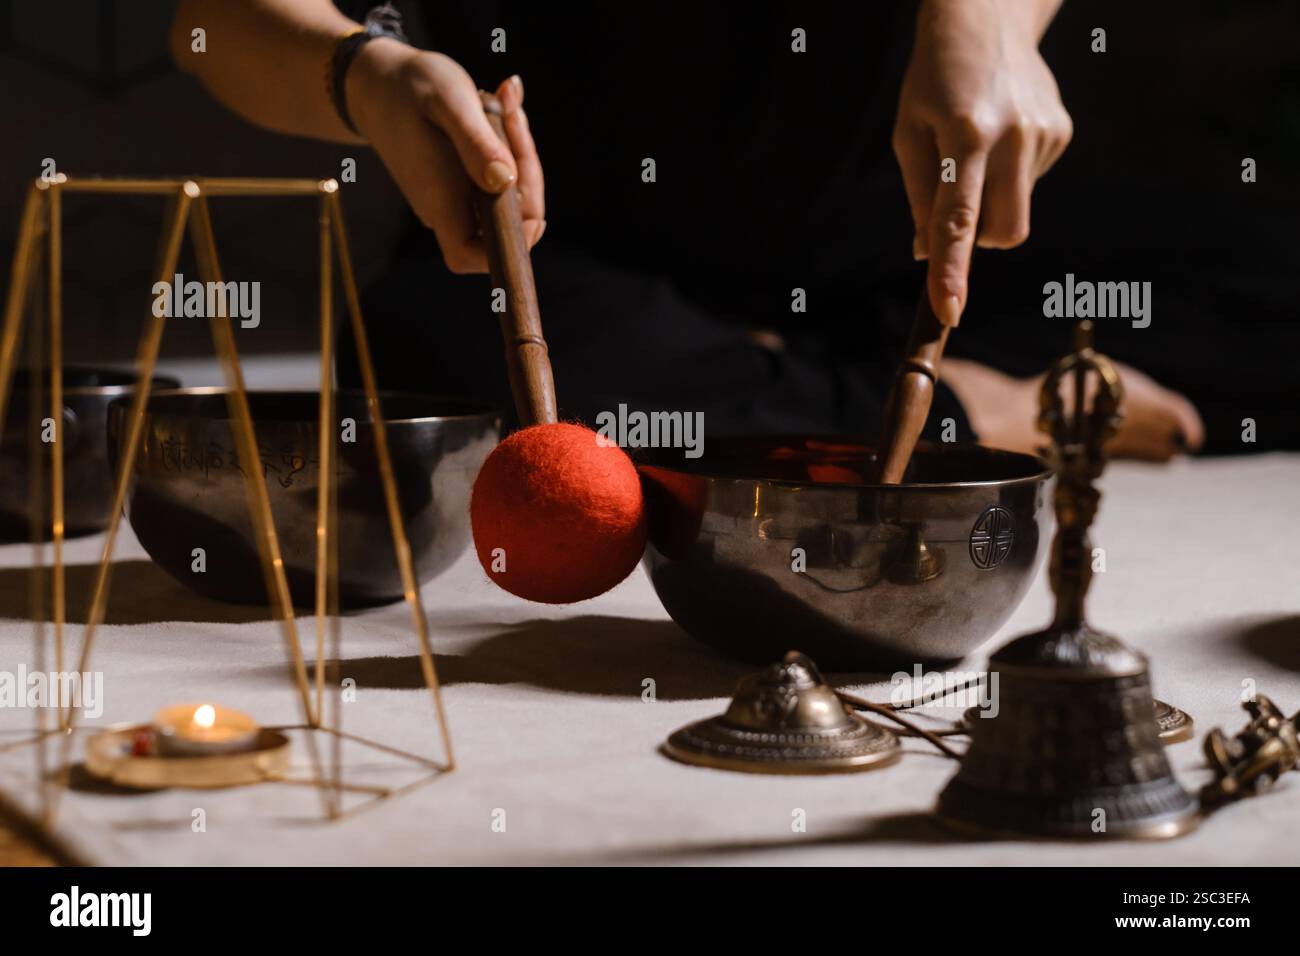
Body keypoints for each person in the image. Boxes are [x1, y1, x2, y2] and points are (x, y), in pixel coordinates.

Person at [171, 1, 1294, 459]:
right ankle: (940, 406)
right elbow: (212, 22)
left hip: (898, 236)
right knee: (422, 348)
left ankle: (805, 387)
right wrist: (365, 75)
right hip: (584, 253)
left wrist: (988, 21)